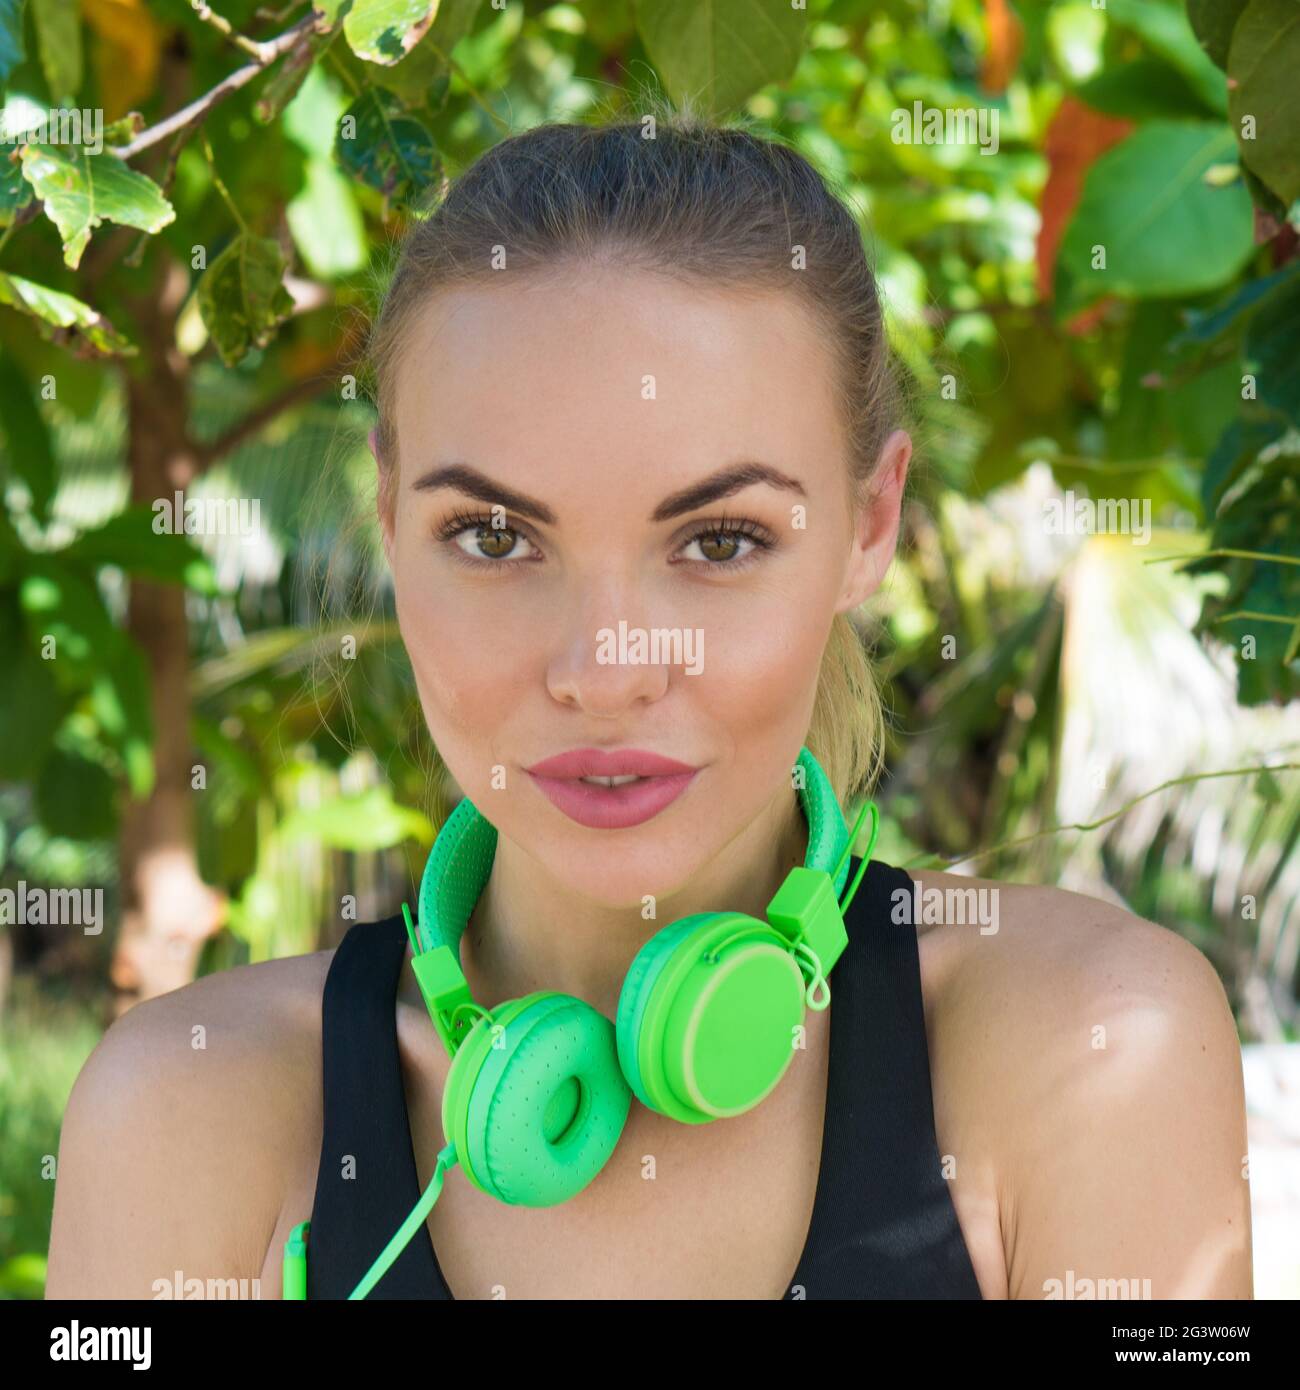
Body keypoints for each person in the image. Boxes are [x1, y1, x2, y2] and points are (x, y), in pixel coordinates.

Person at [45, 110, 1252, 1301]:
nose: (605, 664)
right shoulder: (182, 1110)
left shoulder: (1094, 1045)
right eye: (493, 535)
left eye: (719, 540)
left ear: (868, 527)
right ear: (388, 525)